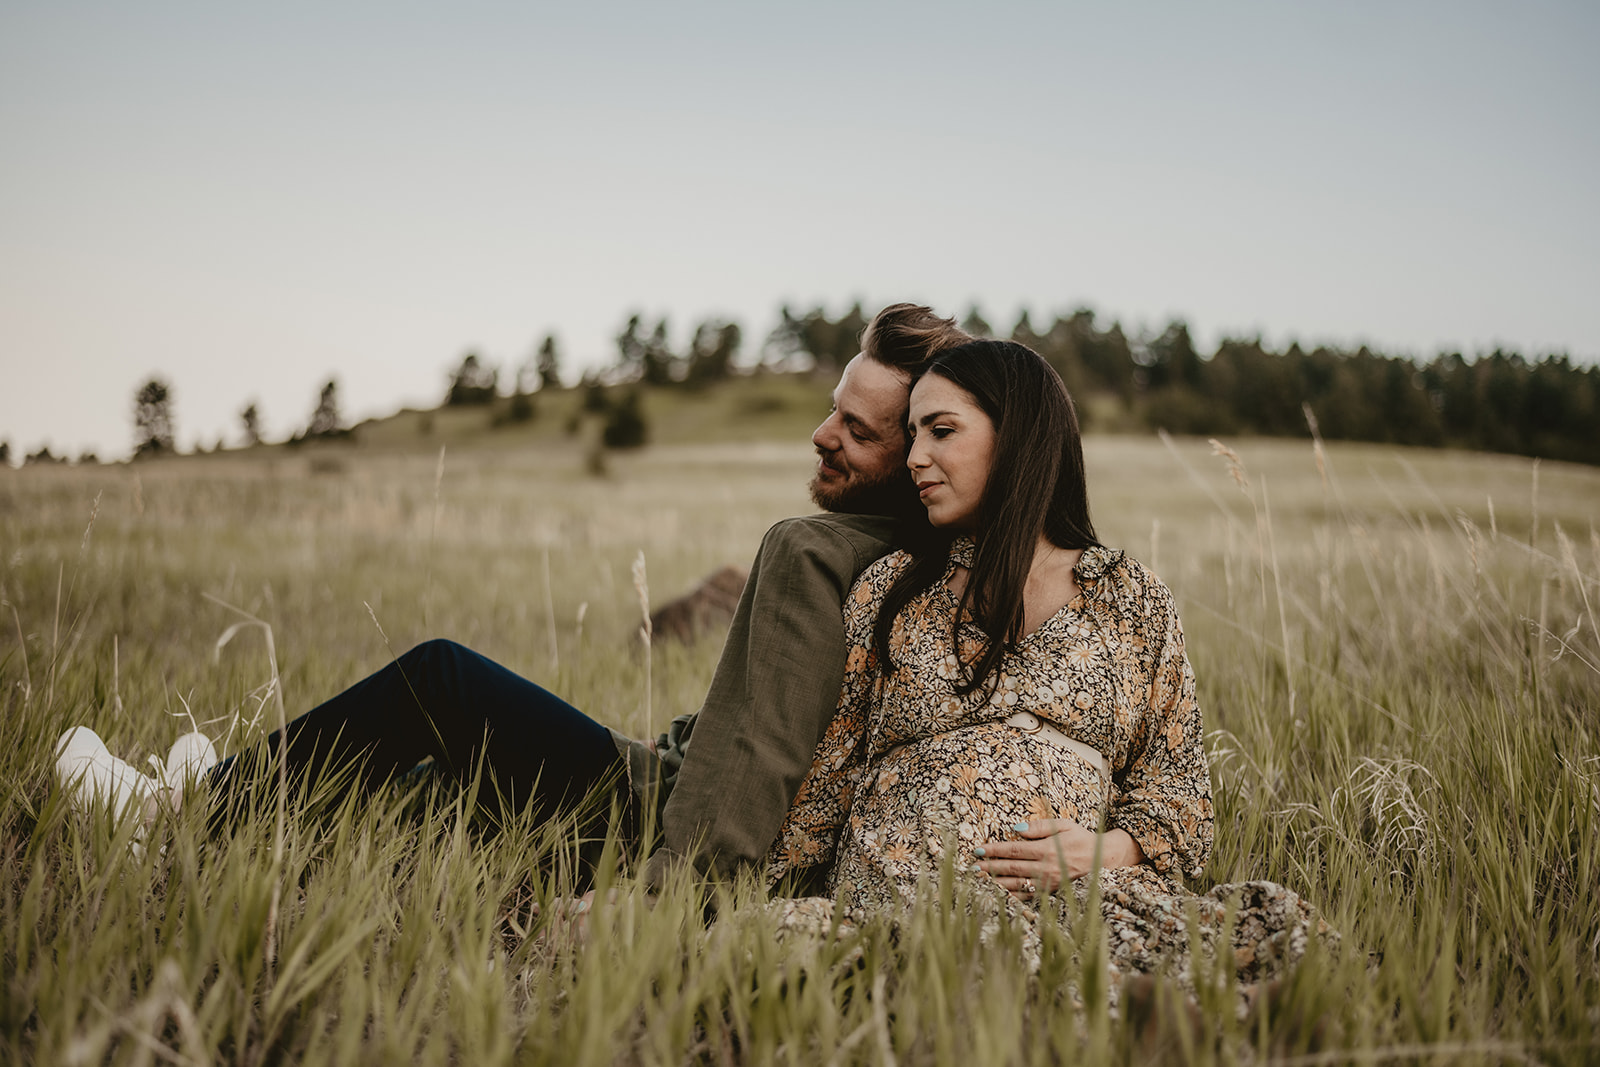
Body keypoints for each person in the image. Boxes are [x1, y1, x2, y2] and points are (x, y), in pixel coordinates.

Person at [55, 304, 973, 885]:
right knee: (428, 786)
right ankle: (221, 802)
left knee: (442, 679)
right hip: (660, 776)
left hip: (655, 810)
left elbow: (760, 756)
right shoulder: (924, 556)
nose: (821, 435)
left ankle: (175, 820)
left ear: (914, 460)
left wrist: (674, 889)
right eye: (830, 407)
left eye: (856, 430)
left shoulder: (814, 551)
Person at [762, 339, 1331, 1003]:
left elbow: (1178, 799)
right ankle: (1132, 1017)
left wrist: (1106, 850)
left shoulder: (1130, 597)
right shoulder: (891, 590)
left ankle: (1154, 1011)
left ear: (1020, 436)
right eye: (913, 433)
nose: (916, 456)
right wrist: (734, 878)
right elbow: (829, 778)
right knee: (763, 949)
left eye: (941, 430)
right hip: (895, 905)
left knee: (1285, 939)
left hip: (1080, 902)